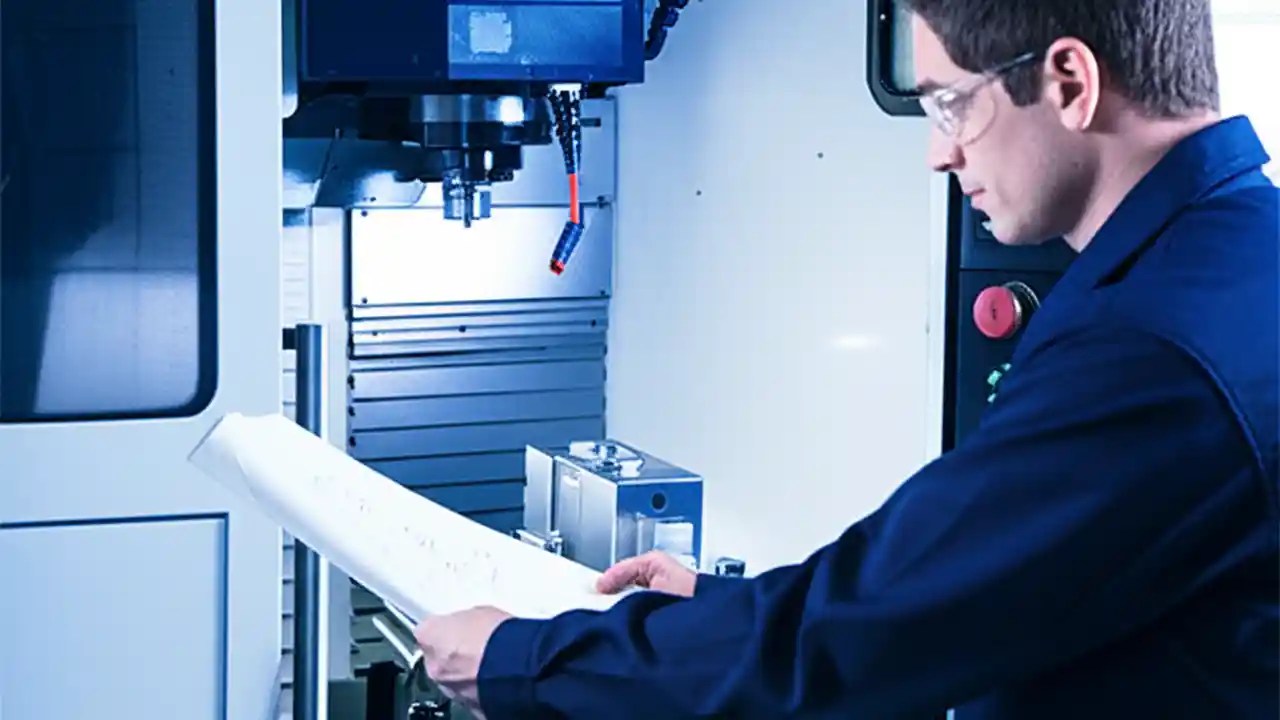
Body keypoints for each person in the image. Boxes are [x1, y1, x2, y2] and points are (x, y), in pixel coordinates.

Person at [414, 0, 1279, 717]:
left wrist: (520, 662)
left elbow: (874, 635)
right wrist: (713, 610)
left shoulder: (1150, 346)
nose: (940, 151)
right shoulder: (1235, 259)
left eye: (949, 102)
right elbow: (954, 590)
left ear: (1068, 82)